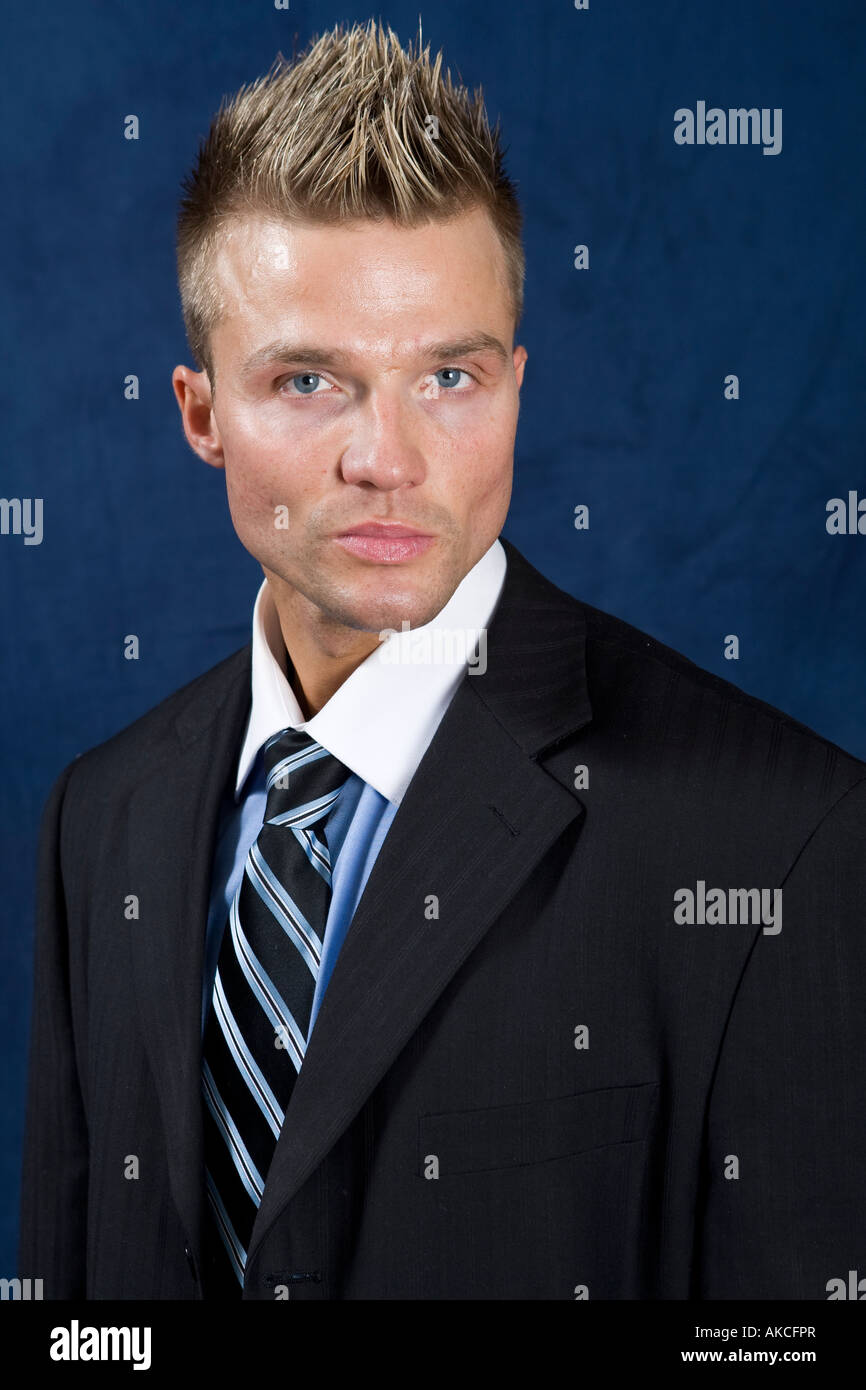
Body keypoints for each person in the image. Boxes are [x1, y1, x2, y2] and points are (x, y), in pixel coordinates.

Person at [19, 19, 866, 1301]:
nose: (389, 459)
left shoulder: (775, 837)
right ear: (200, 415)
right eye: (309, 381)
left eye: (450, 378)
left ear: (516, 383)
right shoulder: (100, 816)